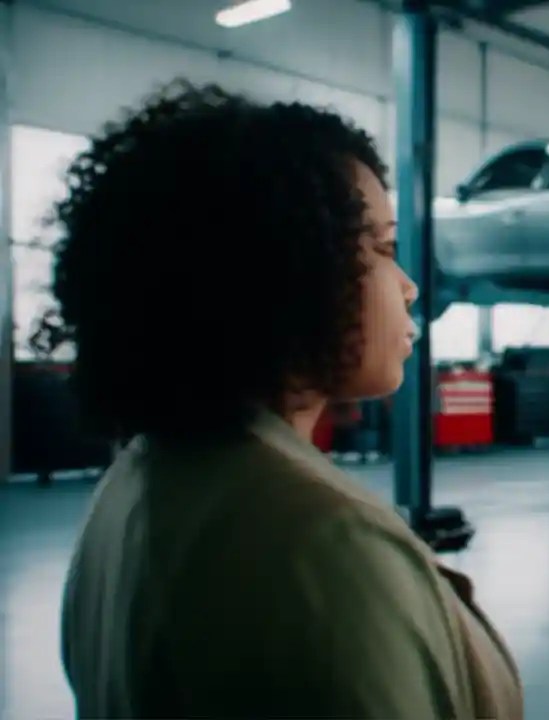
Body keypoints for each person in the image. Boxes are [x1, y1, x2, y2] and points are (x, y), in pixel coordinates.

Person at [42, 81, 523, 719]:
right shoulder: (326, 548)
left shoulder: (136, 482)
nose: (406, 286)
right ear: (290, 268)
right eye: (380, 248)